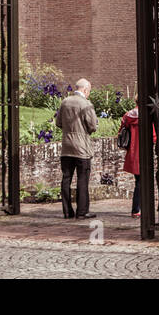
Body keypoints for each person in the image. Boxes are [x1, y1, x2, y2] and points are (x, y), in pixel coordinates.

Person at [55, 78, 98, 219]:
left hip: (66, 146)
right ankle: (82, 211)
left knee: (66, 178)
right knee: (82, 178)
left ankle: (67, 211)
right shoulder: (86, 104)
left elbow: (58, 122)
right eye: (89, 91)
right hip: (82, 148)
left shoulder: (65, 102)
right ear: (85, 90)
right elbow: (92, 126)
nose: (89, 93)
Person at [119, 105, 150, 217]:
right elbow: (154, 136)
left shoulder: (128, 116)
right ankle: (137, 209)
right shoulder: (147, 116)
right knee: (142, 182)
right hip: (144, 151)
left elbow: (121, 132)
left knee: (138, 181)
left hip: (132, 152)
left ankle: (137, 208)